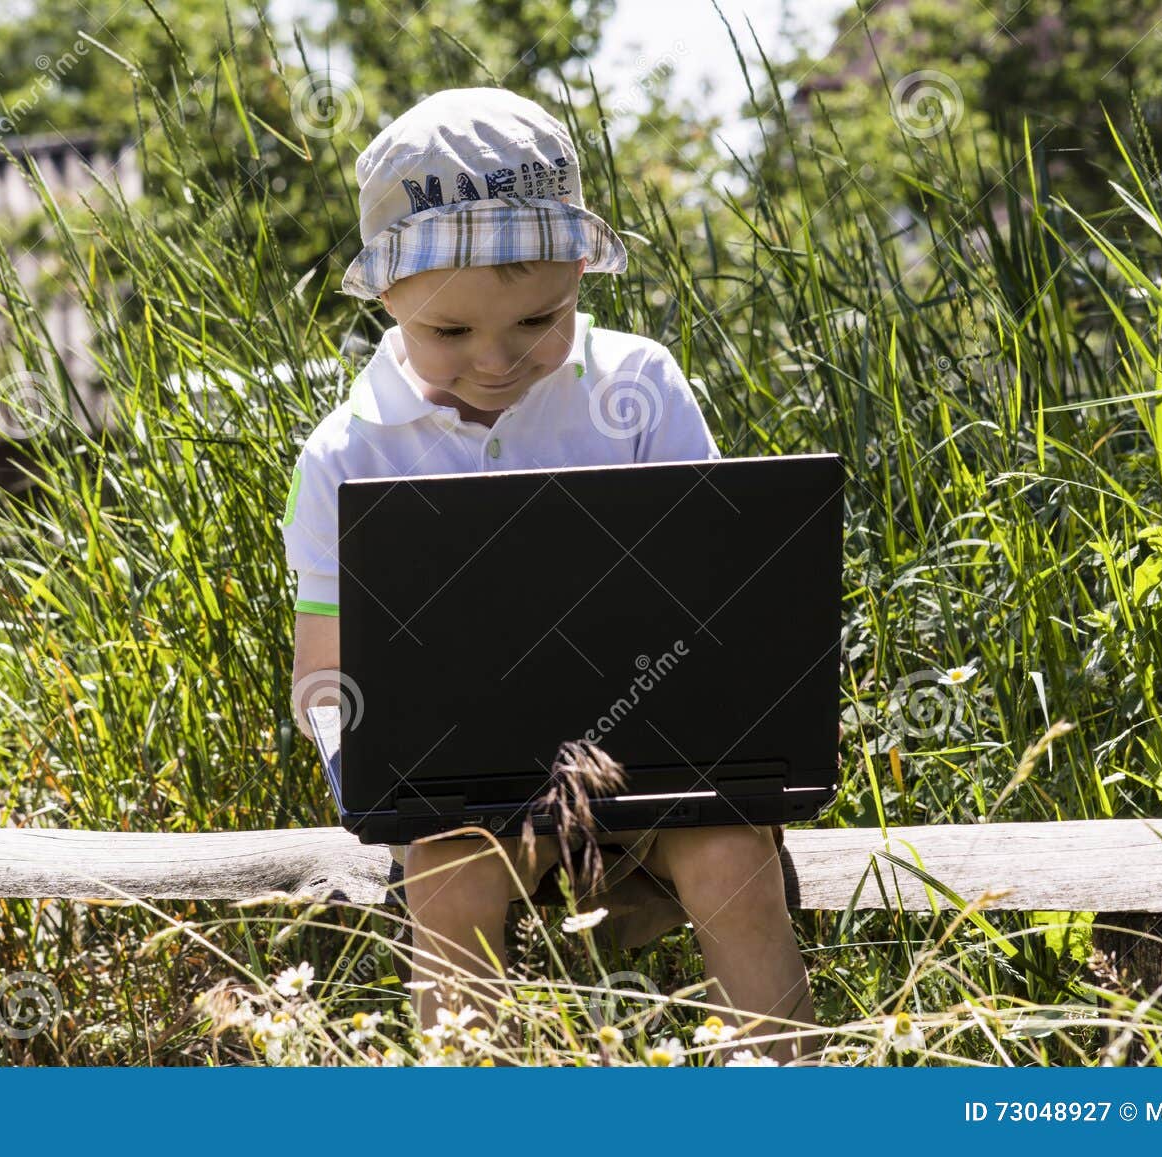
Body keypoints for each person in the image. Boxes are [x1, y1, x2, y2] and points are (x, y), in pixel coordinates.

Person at [282, 86, 812, 1063]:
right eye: (449, 334)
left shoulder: (639, 388)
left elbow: (718, 593)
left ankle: (787, 1079)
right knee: (453, 882)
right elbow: (324, 669)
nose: (494, 361)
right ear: (385, 299)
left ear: (579, 272)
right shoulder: (346, 453)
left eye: (536, 320)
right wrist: (365, 776)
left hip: (661, 772)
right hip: (467, 798)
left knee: (734, 854)